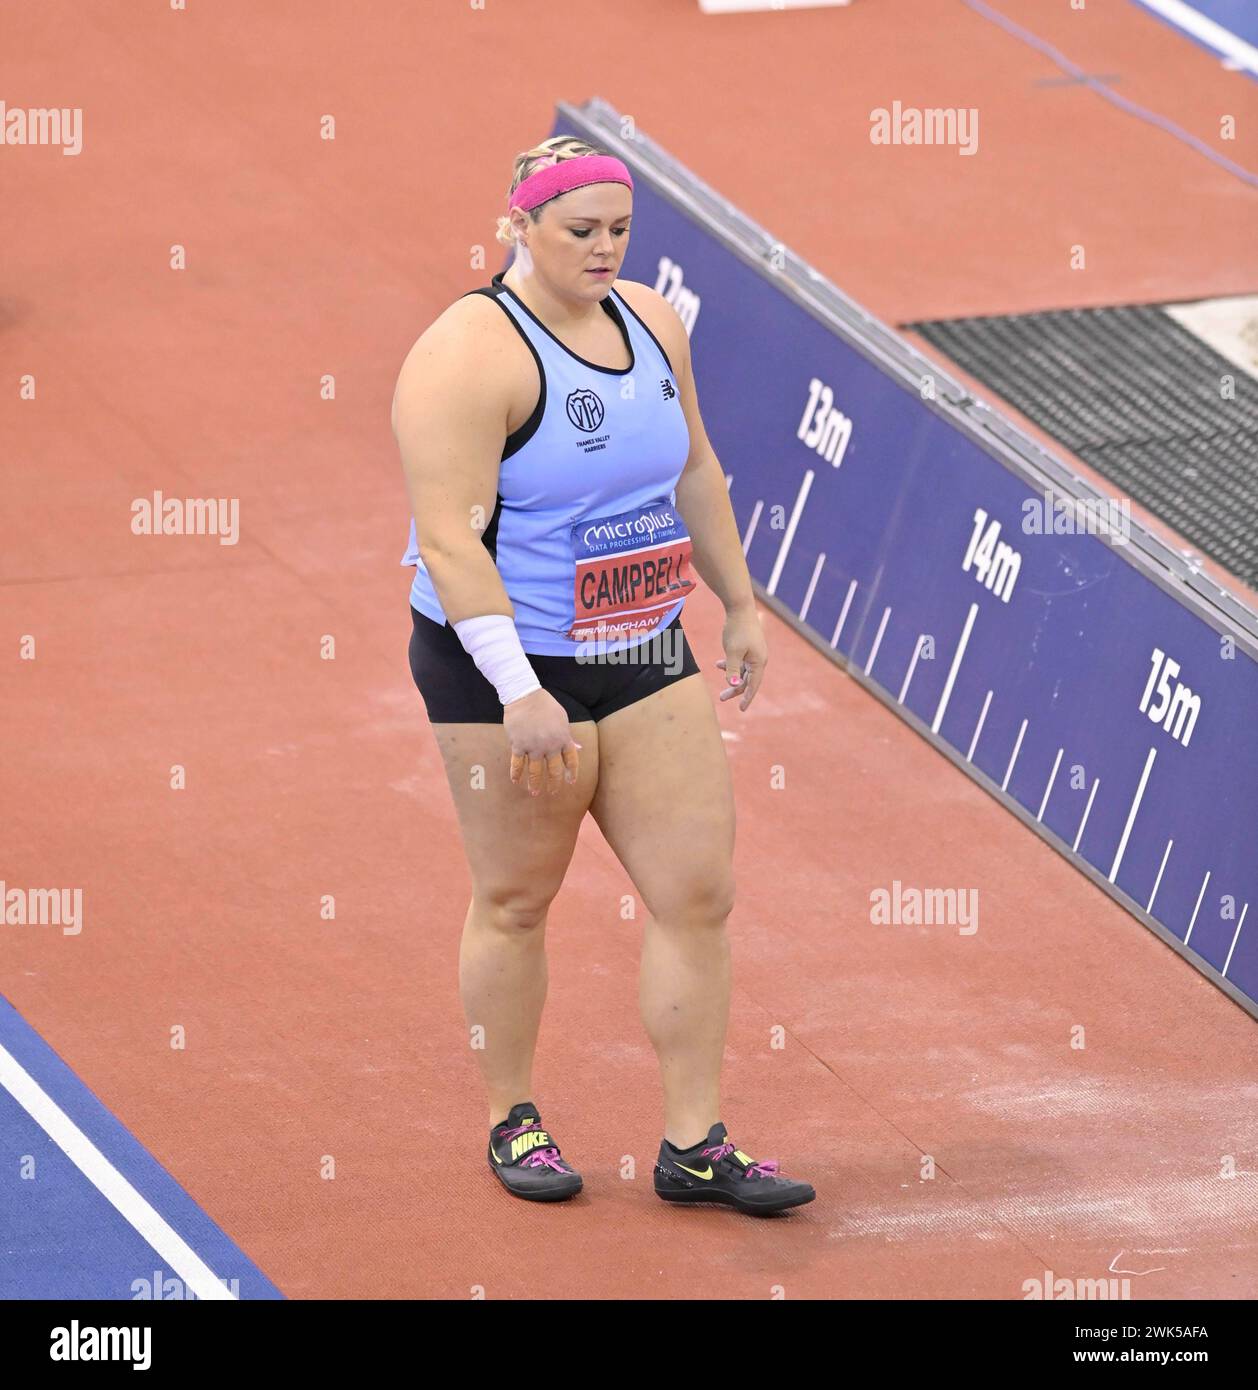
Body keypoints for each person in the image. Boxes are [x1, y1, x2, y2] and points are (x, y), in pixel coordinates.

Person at [393, 135, 815, 1214]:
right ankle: (512, 1114)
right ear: (519, 226)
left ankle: (695, 1144)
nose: (602, 248)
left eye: (619, 230)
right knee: (517, 897)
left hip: (637, 639)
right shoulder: (467, 354)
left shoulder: (651, 320)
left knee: (697, 893)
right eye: (578, 230)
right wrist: (516, 690)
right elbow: (449, 539)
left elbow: (695, 467)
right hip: (507, 658)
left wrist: (742, 603)